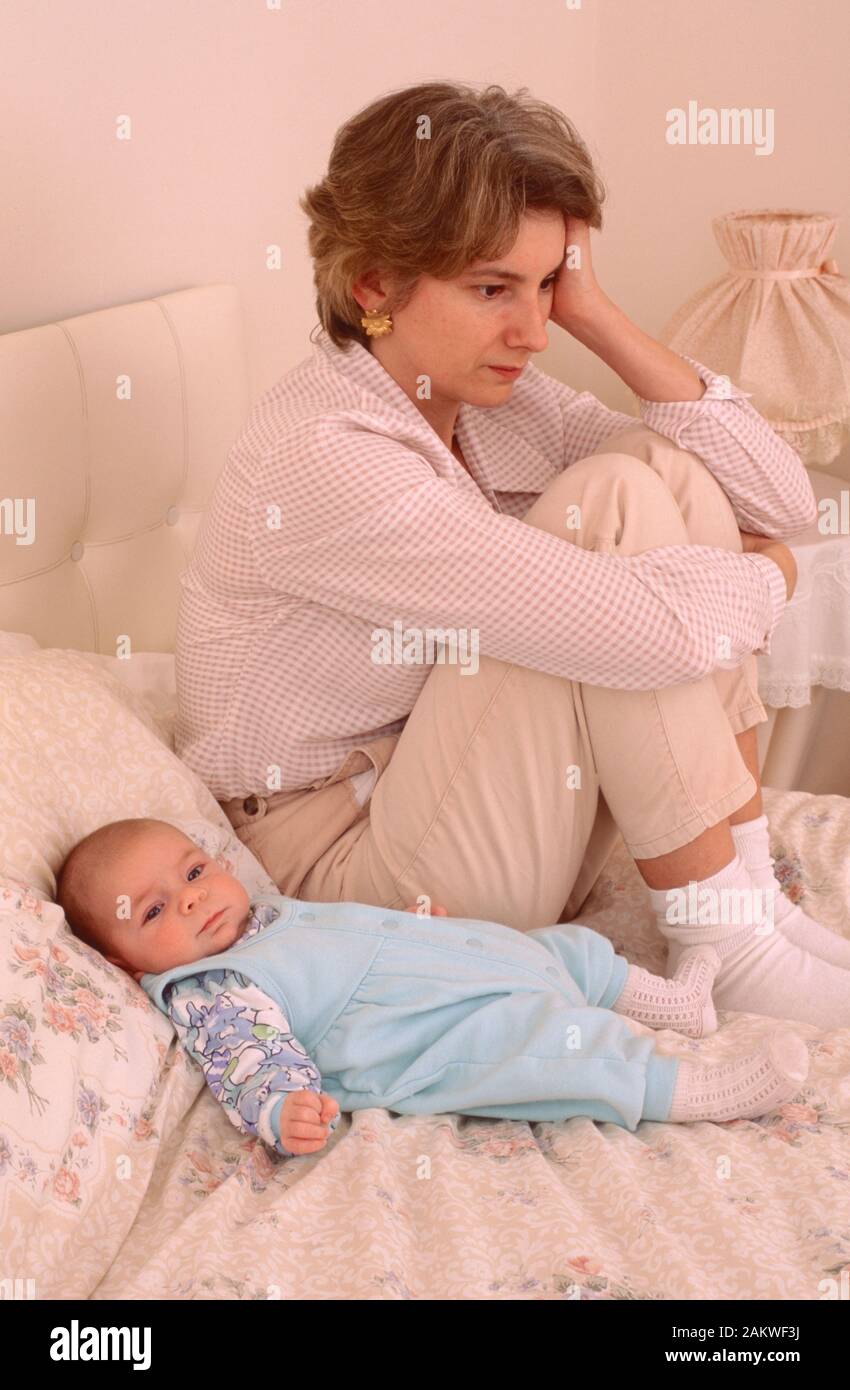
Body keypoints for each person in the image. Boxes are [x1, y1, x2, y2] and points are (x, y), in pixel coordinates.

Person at [174, 80, 850, 1030]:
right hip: (353, 873)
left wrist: (601, 319)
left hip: (461, 801)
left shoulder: (487, 399)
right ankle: (727, 938)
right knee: (610, 507)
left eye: (547, 287)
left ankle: (744, 912)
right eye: (493, 288)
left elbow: (779, 501)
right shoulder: (326, 454)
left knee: (666, 467)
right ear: (374, 284)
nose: (532, 332)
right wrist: (777, 576)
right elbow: (666, 628)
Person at [55, 818, 811, 1157]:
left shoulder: (265, 912)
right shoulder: (212, 986)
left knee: (563, 952)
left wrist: (414, 927)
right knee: (550, 1048)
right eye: (152, 910)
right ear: (130, 967)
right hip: (428, 1038)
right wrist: (281, 1108)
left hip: (457, 963)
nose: (191, 897)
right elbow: (245, 1054)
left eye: (192, 871)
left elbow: (344, 936)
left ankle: (673, 1002)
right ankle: (698, 1091)